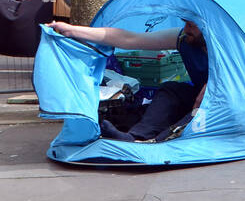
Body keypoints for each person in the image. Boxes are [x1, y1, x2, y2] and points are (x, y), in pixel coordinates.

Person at [53, 20, 208, 143]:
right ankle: (136, 137)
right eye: (185, 23)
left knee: (207, 100)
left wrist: (211, 88)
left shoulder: (227, 45)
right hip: (198, 99)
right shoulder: (183, 38)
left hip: (222, 105)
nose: (186, 29)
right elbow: (129, 39)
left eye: (191, 25)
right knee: (171, 89)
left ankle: (162, 140)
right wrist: (71, 30)